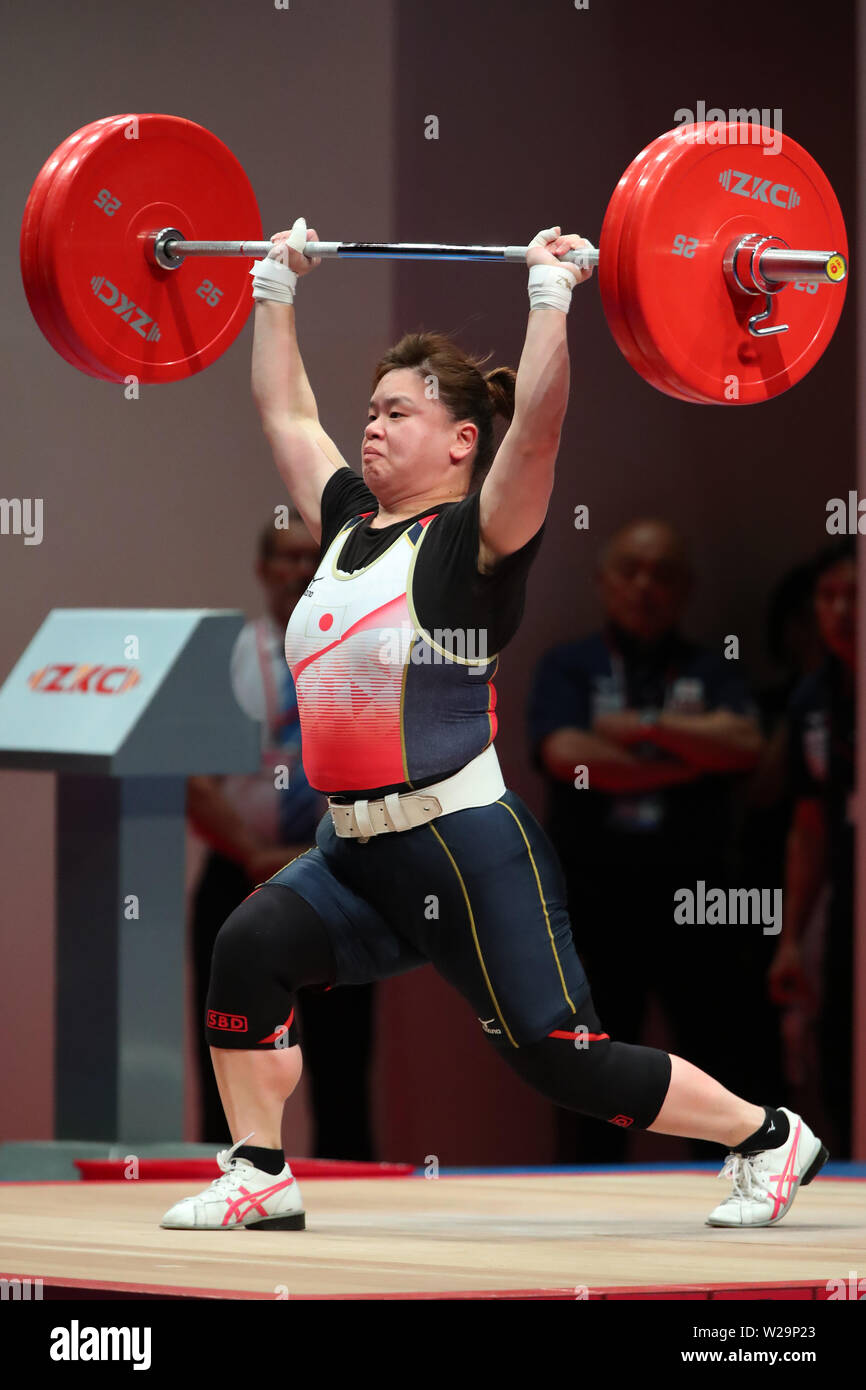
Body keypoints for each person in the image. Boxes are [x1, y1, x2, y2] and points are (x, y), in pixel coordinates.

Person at [161, 216, 826, 1232]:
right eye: (369, 410)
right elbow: (287, 418)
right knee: (248, 947)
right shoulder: (344, 529)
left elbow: (539, 436)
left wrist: (549, 299)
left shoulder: (473, 545)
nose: (370, 425)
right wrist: (273, 290)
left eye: (395, 411)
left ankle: (764, 1136)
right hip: (351, 851)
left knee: (560, 1059)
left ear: (459, 440)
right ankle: (257, 1168)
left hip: (464, 846)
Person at [528, 520, 774, 1161]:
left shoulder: (711, 662)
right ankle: (586, 1197)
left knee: (715, 1048)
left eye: (663, 573)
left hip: (699, 892)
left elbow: (746, 744)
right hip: (594, 894)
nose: (646, 586)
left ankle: (733, 1182)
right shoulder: (568, 663)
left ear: (687, 589)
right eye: (630, 571)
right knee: (589, 1056)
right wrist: (690, 754)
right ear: (604, 582)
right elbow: (566, 754)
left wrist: (635, 726)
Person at [188, 518, 377, 1157]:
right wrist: (256, 854)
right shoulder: (226, 659)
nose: (301, 570)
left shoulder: (364, 657)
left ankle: (350, 1195)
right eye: (288, 558)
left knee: (344, 1064)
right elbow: (195, 779)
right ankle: (235, 1178)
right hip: (236, 875)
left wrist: (303, 856)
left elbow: (379, 778)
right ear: (264, 569)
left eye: (313, 559)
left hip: (339, 876)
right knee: (228, 1049)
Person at [769, 538, 857, 1156]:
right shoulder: (812, 700)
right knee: (838, 1056)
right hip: (846, 909)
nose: (843, 611)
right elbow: (808, 828)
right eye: (829, 597)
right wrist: (793, 938)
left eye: (856, 596)